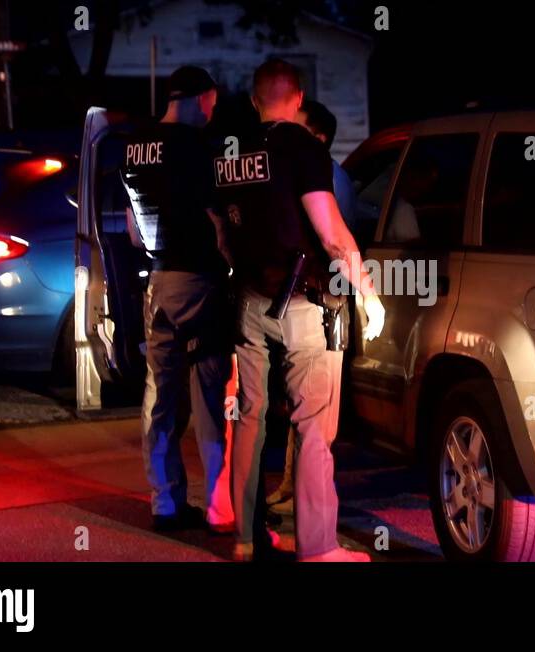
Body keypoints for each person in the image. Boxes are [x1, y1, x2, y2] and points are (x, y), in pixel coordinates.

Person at [215, 59, 385, 562]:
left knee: (249, 416)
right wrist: (368, 293)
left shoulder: (230, 154)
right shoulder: (304, 148)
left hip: (248, 300)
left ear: (253, 100)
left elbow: (221, 233)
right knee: (312, 424)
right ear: (298, 99)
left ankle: (245, 537)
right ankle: (319, 548)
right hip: (304, 302)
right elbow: (331, 233)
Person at [120, 65, 235, 532]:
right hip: (202, 283)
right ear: (201, 97)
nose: (212, 110)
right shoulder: (197, 147)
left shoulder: (134, 146)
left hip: (159, 284)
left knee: (160, 394)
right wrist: (234, 268)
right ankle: (218, 505)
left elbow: (132, 229)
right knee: (210, 396)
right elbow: (218, 223)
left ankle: (164, 504)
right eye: (212, 101)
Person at [266, 99, 353, 516]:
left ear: (315, 135)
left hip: (322, 299)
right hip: (301, 297)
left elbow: (337, 240)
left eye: (295, 126)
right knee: (303, 405)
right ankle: (291, 489)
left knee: (316, 415)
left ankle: (308, 507)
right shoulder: (303, 167)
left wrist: (366, 293)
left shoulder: (326, 174)